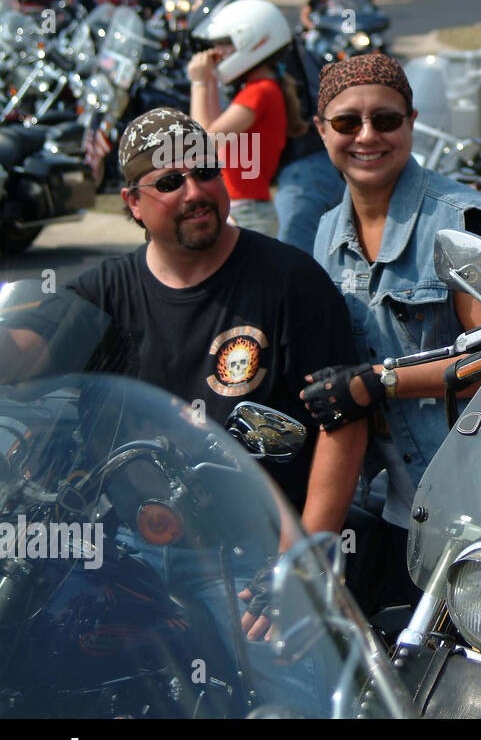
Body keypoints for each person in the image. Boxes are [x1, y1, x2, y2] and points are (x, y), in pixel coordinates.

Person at [69, 108, 365, 620]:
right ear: (133, 204)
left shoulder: (291, 281)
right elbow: (26, 353)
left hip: (250, 559)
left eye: (205, 171)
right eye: (169, 181)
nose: (194, 192)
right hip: (125, 550)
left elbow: (342, 424)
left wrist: (297, 568)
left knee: (280, 698)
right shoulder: (101, 294)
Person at [301, 53, 481, 609]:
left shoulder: (468, 222)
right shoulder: (327, 233)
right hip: (396, 507)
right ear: (320, 130)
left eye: (386, 120)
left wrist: (381, 382)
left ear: (412, 122)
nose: (367, 136)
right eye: (347, 122)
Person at [189, 0, 309, 236]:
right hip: (244, 209)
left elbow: (204, 143)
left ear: (250, 39)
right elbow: (214, 130)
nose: (218, 52)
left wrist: (199, 83)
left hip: (248, 212)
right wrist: (210, 81)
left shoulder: (259, 92)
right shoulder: (260, 88)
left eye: (225, 43)